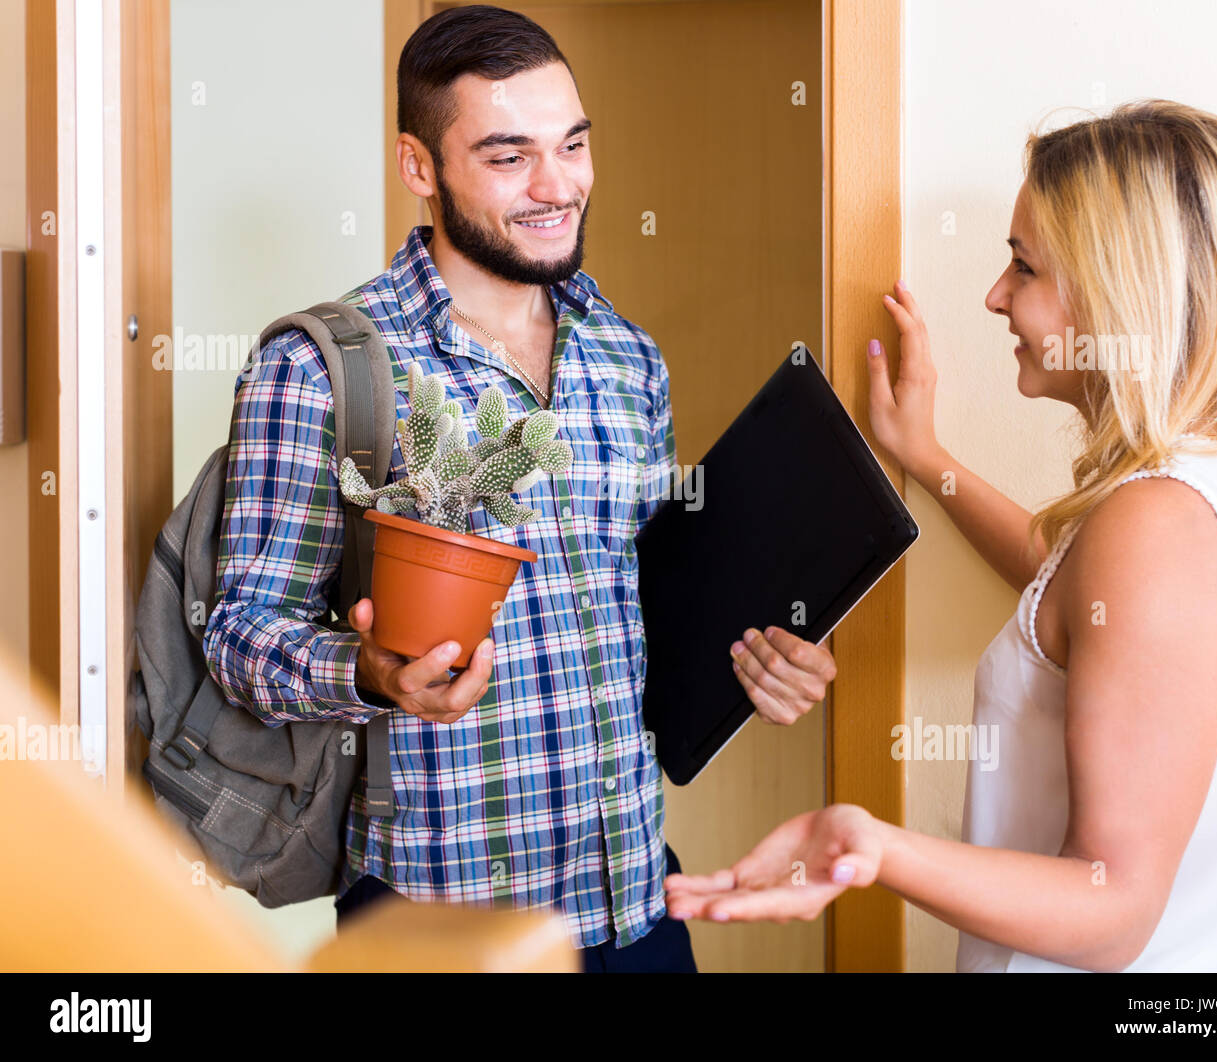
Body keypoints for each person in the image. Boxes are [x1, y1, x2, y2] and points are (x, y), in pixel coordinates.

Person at [202, 4, 836, 974]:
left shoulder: (628, 359)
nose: (558, 186)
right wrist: (372, 673)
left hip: (633, 904)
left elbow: (635, 607)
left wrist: (755, 661)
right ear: (420, 167)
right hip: (438, 923)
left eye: (573, 145)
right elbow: (239, 631)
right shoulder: (324, 367)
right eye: (509, 157)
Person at [665, 99, 1217, 972]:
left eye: (1023, 266)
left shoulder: (1157, 529)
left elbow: (1112, 909)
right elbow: (1073, 594)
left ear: (1118, 292)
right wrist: (927, 459)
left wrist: (871, 846)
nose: (996, 296)